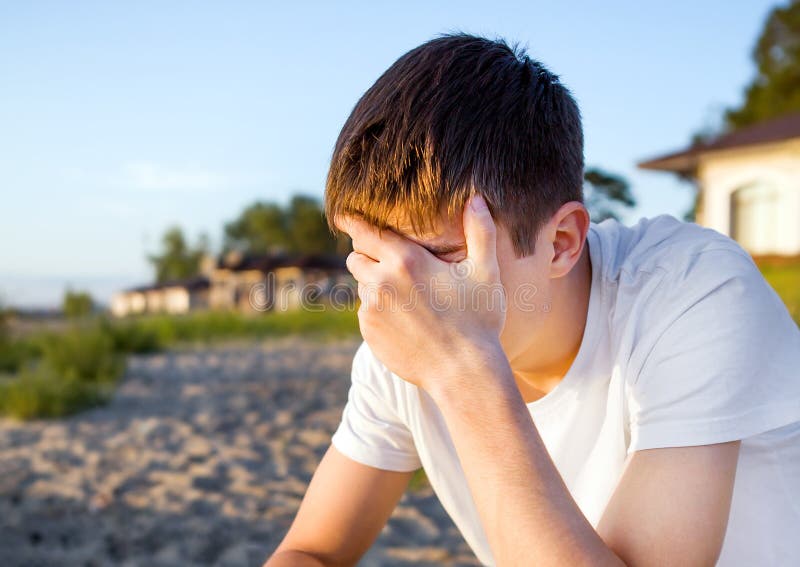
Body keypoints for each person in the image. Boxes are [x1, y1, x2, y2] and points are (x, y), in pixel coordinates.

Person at [265, 33, 800, 566]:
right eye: (373, 260)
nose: (400, 294)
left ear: (561, 242)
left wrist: (462, 370)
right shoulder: (402, 326)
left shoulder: (693, 291)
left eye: (440, 257)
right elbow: (312, 550)